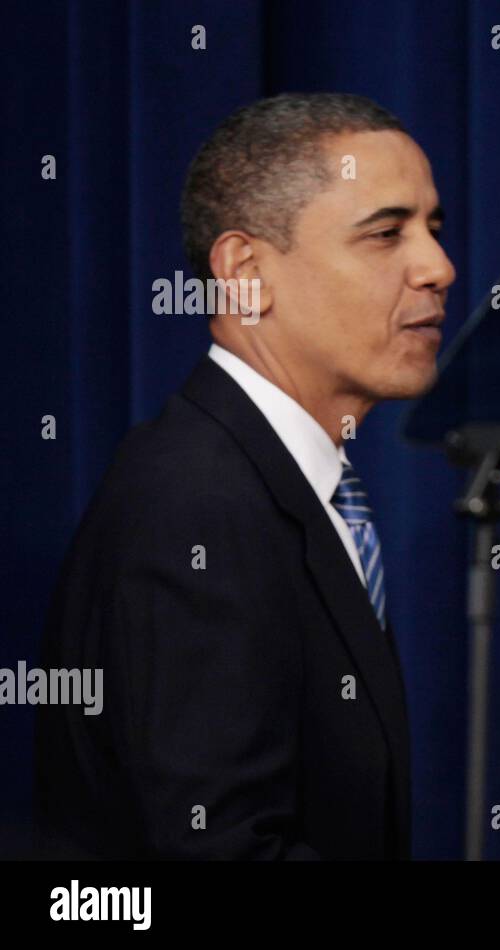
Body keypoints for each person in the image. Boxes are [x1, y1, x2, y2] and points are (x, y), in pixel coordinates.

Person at [35, 92, 455, 859]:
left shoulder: (274, 478)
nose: (438, 267)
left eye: (434, 229)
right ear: (245, 271)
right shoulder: (198, 502)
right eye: (386, 233)